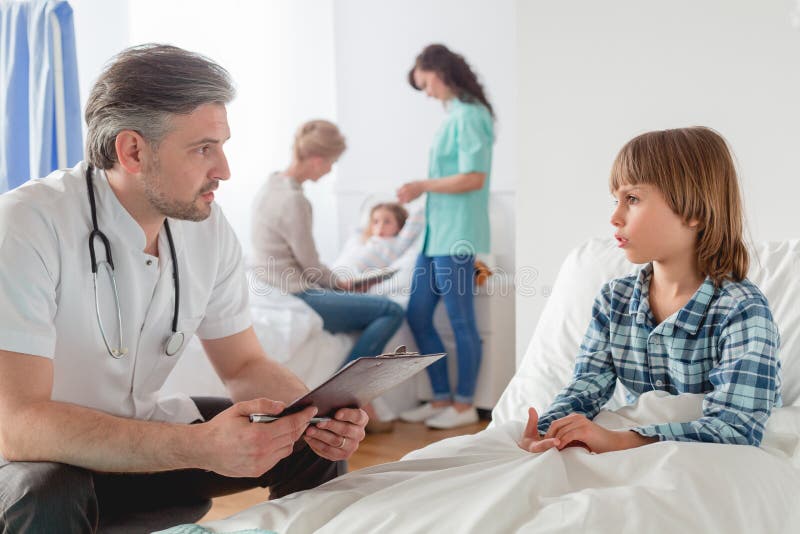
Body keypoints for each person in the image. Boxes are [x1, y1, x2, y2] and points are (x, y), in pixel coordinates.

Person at [0, 44, 368, 532]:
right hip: (29, 461)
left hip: (143, 433)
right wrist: (201, 446)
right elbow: (19, 425)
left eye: (223, 145)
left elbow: (243, 364)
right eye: (203, 149)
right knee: (48, 489)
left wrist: (317, 417)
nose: (224, 169)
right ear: (132, 151)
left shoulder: (207, 230)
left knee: (299, 441)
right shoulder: (26, 224)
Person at [519, 127, 782, 454]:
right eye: (615, 200)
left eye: (632, 199)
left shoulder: (741, 308)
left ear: (694, 211)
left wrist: (619, 441)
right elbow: (586, 387)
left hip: (709, 461)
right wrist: (550, 430)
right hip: (636, 450)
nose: (614, 217)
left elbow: (737, 428)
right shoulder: (614, 300)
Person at [249, 120, 405, 431]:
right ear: (318, 159)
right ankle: (350, 397)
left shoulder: (269, 185)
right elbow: (310, 266)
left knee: (379, 308)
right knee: (391, 310)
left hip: (270, 286)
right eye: (332, 163)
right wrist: (343, 284)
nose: (330, 171)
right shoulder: (295, 200)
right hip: (297, 291)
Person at [397, 44, 495, 429]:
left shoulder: (471, 115)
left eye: (426, 84)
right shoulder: (454, 115)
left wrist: (423, 185)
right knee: (418, 314)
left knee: (460, 320)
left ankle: (464, 404)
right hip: (435, 235)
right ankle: (440, 398)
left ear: (439, 71)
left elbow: (474, 177)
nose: (427, 93)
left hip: (457, 236)